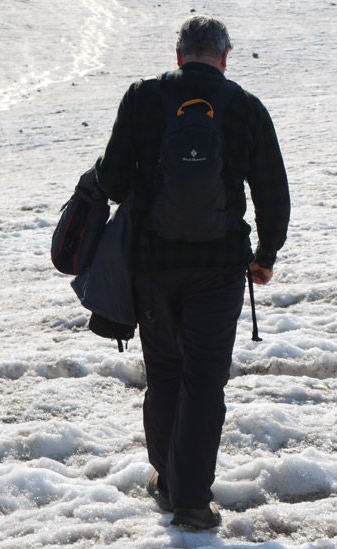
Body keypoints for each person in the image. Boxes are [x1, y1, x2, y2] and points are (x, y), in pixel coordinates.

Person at [92, 15, 290, 529]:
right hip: (220, 268)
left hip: (153, 266)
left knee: (164, 375)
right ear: (224, 58)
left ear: (178, 54)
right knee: (204, 382)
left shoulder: (142, 98)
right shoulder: (244, 107)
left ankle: (165, 478)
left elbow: (113, 182)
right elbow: (272, 191)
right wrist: (265, 255)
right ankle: (192, 501)